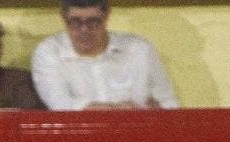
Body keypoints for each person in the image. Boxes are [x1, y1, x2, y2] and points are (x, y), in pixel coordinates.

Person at [30, 0, 177, 110]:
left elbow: (167, 101)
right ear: (63, 18)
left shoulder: (139, 49)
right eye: (75, 22)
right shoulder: (49, 51)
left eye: (93, 22)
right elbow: (58, 103)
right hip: (77, 140)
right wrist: (103, 110)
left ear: (106, 17)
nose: (84, 30)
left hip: (136, 137)